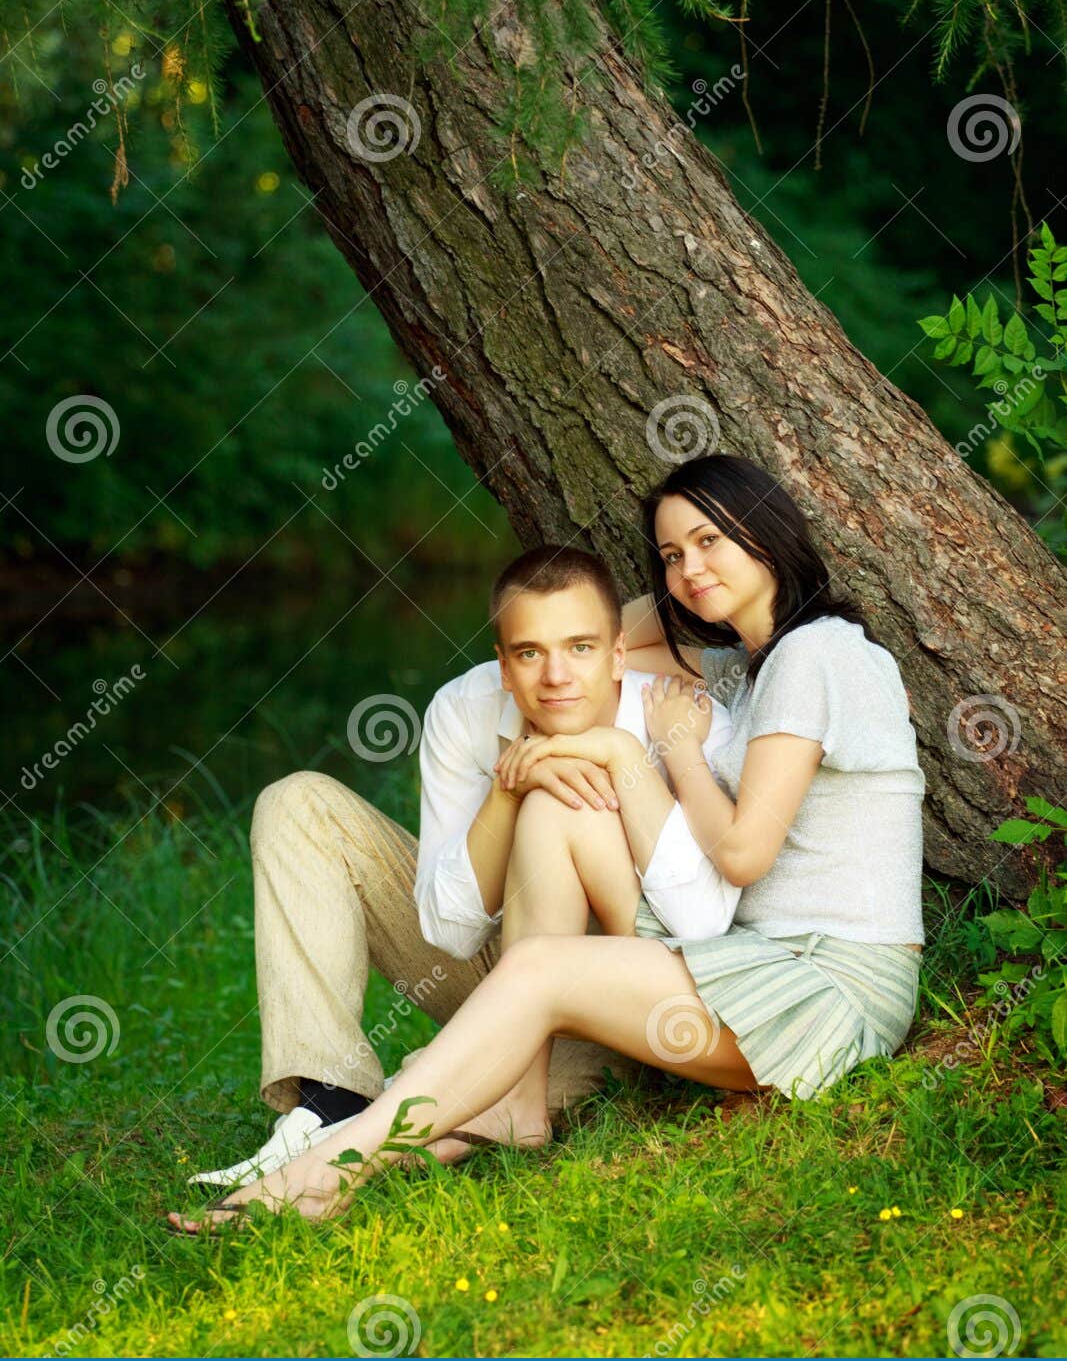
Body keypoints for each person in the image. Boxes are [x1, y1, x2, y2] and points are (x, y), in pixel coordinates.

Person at [171, 453, 924, 1232]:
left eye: (711, 541)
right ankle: (472, 1115)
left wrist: (667, 752)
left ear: (767, 534)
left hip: (825, 988)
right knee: (557, 803)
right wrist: (592, 666)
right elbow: (591, 627)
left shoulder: (814, 654)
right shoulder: (742, 668)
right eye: (670, 555)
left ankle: (325, 1171)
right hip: (758, 965)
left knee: (539, 954)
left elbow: (739, 856)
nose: (691, 570)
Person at [187, 544, 735, 1192]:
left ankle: (390, 1116)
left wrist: (613, 765)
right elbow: (448, 931)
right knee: (297, 803)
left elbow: (706, 934)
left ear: (617, 653)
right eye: (530, 653)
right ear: (503, 665)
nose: (556, 675)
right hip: (490, 961)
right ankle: (329, 1098)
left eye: (580, 649)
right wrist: (508, 788)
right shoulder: (463, 708)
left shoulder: (682, 720)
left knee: (471, 1095)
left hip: (613, 1000)